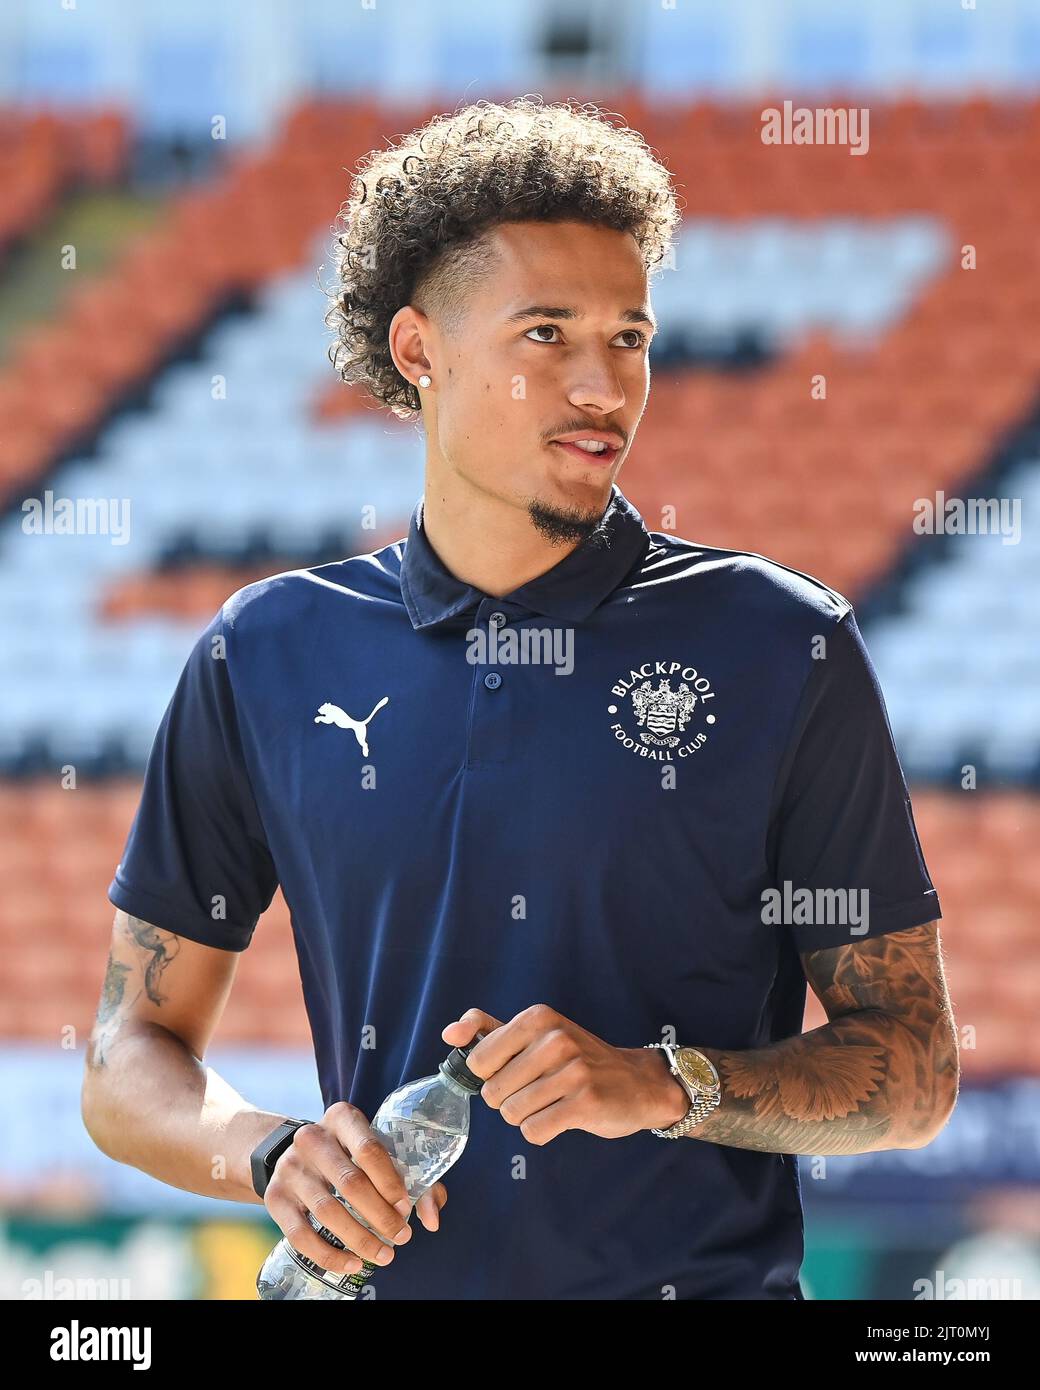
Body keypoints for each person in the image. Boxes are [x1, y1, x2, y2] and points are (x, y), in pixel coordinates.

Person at [82, 97, 958, 1300]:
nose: (603, 384)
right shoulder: (267, 653)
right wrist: (270, 1151)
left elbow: (911, 1070)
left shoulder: (781, 643)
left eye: (629, 337)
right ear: (417, 351)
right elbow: (129, 1053)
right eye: (546, 333)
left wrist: (661, 1083)